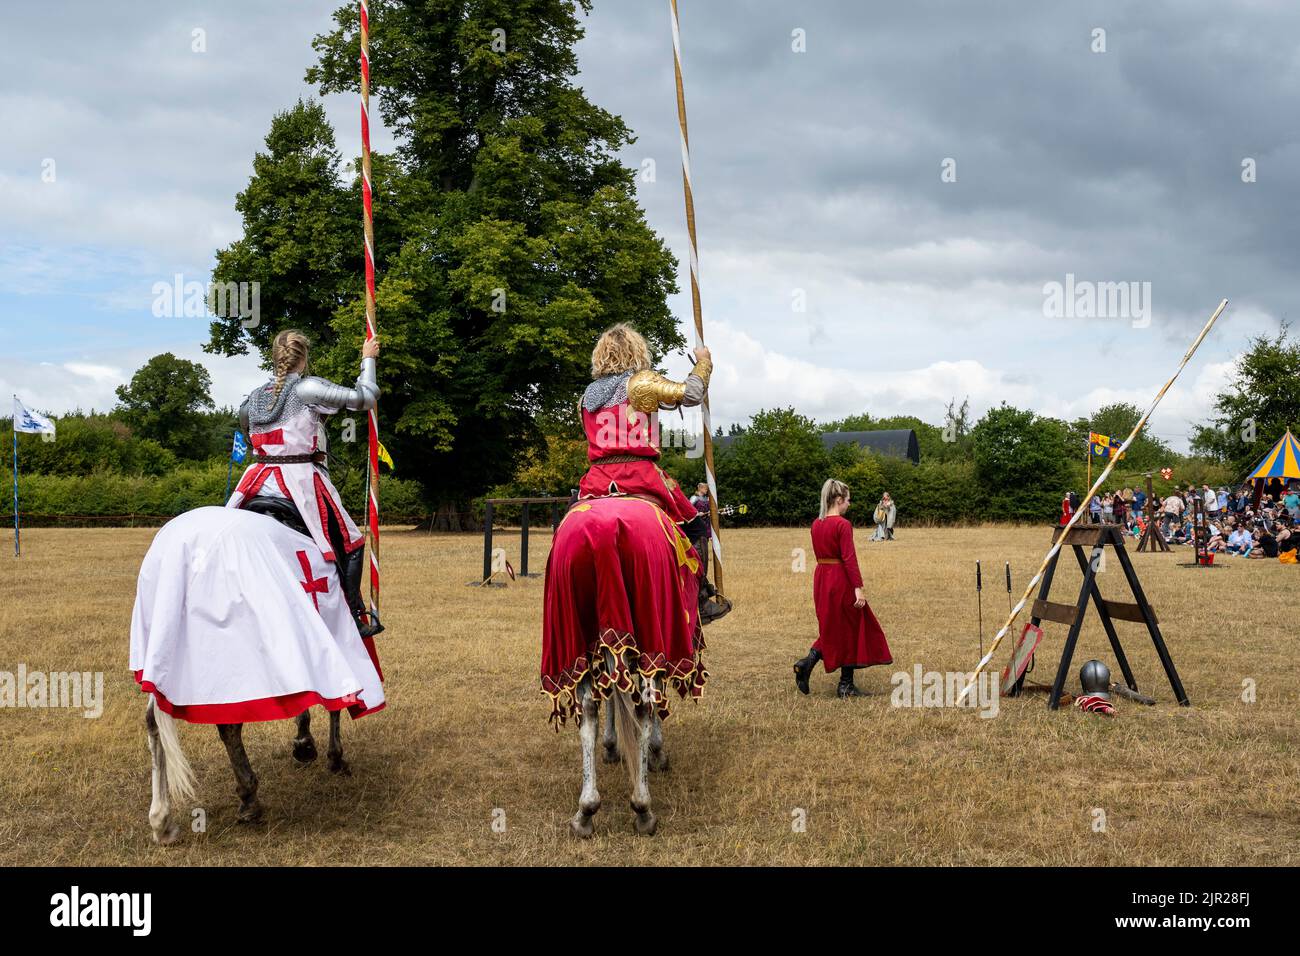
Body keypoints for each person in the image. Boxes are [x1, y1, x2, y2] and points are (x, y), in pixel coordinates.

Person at [228, 329, 383, 637]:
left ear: (275, 358)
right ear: (304, 357)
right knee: (352, 541)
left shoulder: (251, 401)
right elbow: (366, 398)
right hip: (298, 478)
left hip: (258, 478)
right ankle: (354, 615)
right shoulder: (308, 389)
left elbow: (247, 429)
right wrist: (368, 359)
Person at [577, 323, 730, 623]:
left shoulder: (586, 397)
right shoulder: (640, 383)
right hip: (638, 473)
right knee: (696, 528)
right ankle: (700, 599)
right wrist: (704, 362)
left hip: (596, 480)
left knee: (566, 530)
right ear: (635, 351)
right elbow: (692, 393)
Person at [792, 479, 893, 698]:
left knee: (834, 627)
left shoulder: (816, 524)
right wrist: (858, 587)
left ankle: (811, 665)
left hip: (822, 579)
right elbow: (849, 559)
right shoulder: (842, 525)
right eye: (848, 500)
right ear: (838, 500)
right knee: (850, 627)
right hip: (840, 580)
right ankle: (843, 684)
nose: (849, 504)